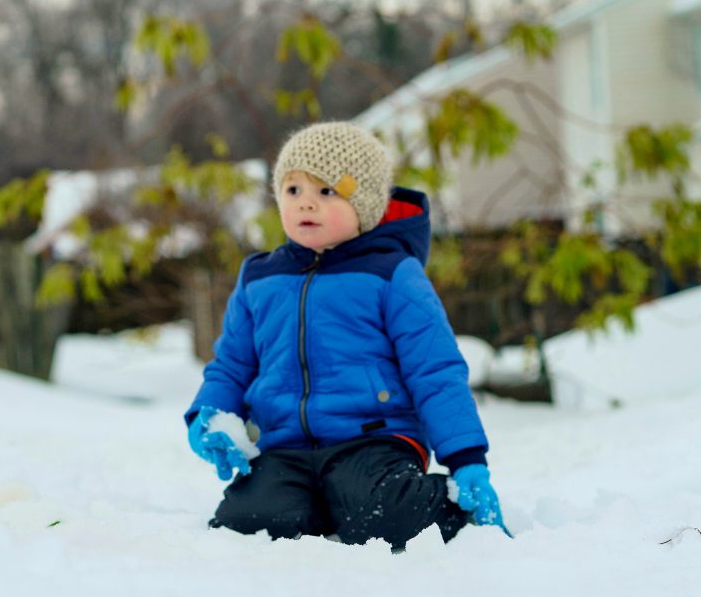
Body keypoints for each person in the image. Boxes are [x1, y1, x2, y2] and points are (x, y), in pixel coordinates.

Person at [184, 121, 509, 550]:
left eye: (326, 192)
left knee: (384, 517)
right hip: (286, 447)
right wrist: (208, 414)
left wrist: (466, 459)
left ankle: (450, 509)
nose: (307, 205)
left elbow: (434, 370)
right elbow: (233, 365)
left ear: (365, 205)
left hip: (374, 441)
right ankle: (321, 505)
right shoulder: (260, 277)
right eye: (293, 190)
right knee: (247, 522)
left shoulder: (391, 273)